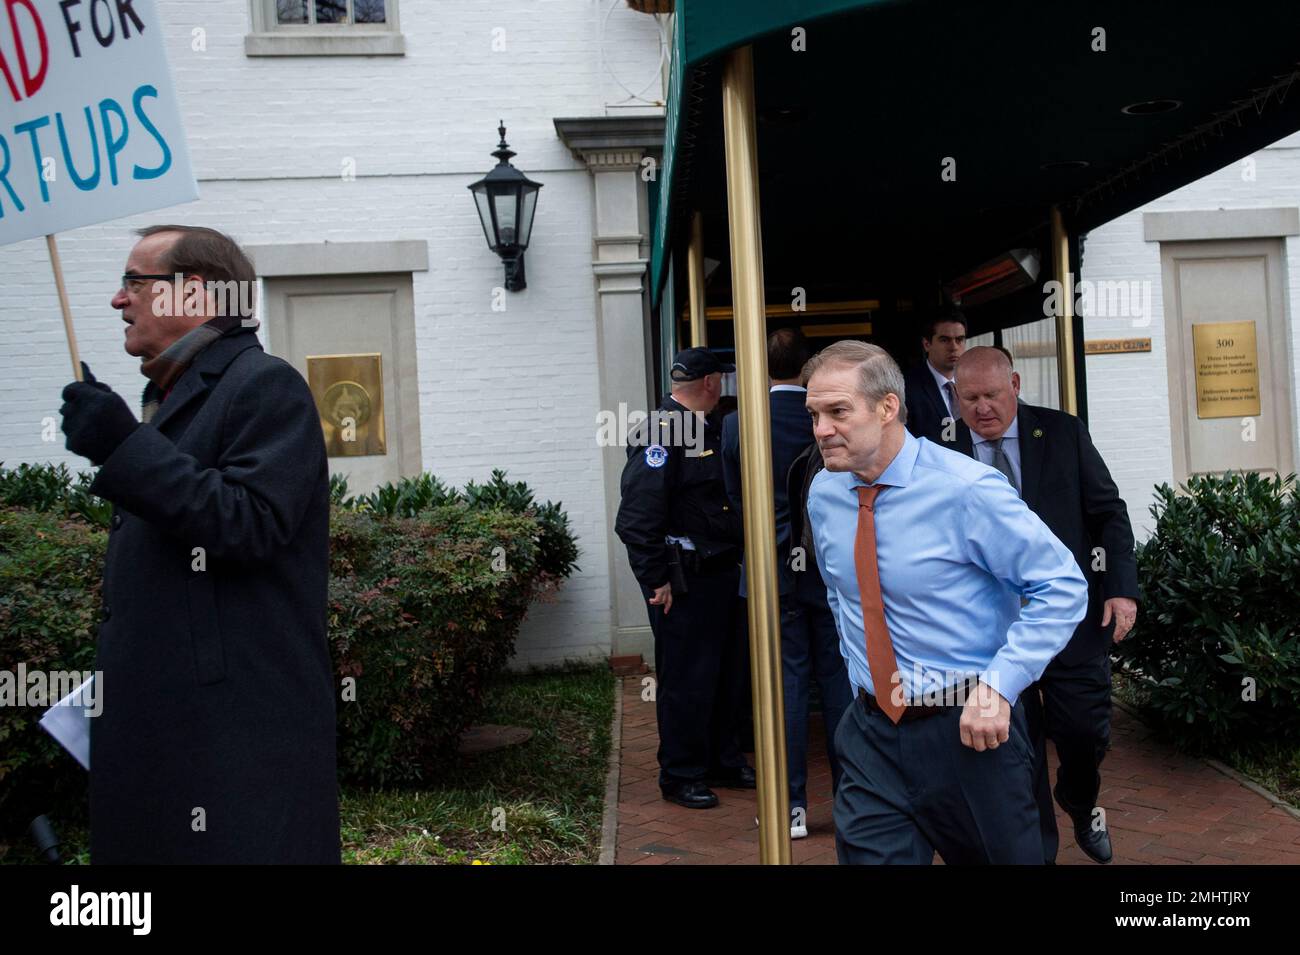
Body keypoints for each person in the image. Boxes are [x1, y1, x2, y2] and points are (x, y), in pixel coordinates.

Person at [58, 225, 339, 863]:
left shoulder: (265, 385)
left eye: (135, 281)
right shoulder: (170, 396)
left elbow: (250, 522)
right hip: (170, 734)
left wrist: (122, 445)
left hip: (232, 742)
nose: (118, 299)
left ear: (195, 294)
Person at [803, 341, 1087, 864]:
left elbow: (1062, 585)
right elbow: (845, 598)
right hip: (871, 738)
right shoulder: (825, 494)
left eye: (837, 411)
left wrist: (1001, 684)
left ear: (888, 408)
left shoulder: (968, 490)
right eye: (815, 413)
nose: (821, 428)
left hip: (970, 733)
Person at [953, 346, 1138, 864]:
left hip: (1068, 624)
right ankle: (1038, 850)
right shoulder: (941, 450)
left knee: (1083, 733)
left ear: (1014, 383)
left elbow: (1108, 512)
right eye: (969, 398)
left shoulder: (1061, 432)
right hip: (990, 632)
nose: (982, 408)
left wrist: (1121, 588)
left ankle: (1080, 801)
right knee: (1017, 750)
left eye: (992, 394)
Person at [721, 329, 852, 839]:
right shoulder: (827, 416)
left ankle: (790, 807)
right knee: (840, 684)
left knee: (786, 691)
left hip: (771, 571)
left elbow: (737, 501)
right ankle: (852, 802)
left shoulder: (737, 424)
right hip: (829, 567)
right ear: (806, 369)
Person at [615, 347, 752, 809]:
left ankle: (721, 760)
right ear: (712, 382)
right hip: (684, 580)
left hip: (718, 573)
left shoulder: (701, 426)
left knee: (725, 673)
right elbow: (636, 518)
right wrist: (656, 580)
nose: (725, 388)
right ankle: (681, 774)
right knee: (688, 680)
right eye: (723, 380)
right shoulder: (662, 430)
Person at [903, 308, 967, 446]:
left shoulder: (976, 382)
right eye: (945, 340)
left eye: (960, 340)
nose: (954, 347)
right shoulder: (906, 388)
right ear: (927, 344)